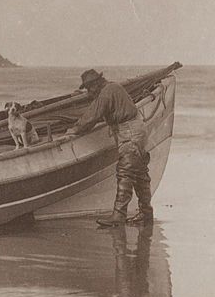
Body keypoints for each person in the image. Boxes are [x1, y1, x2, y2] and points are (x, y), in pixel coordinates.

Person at [63, 69, 153, 227]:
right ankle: (146, 213)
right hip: (136, 128)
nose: (89, 92)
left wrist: (74, 129)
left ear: (95, 84)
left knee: (125, 171)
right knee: (139, 173)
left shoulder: (106, 93)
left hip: (129, 132)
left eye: (89, 88)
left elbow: (92, 116)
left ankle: (118, 215)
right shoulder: (112, 88)